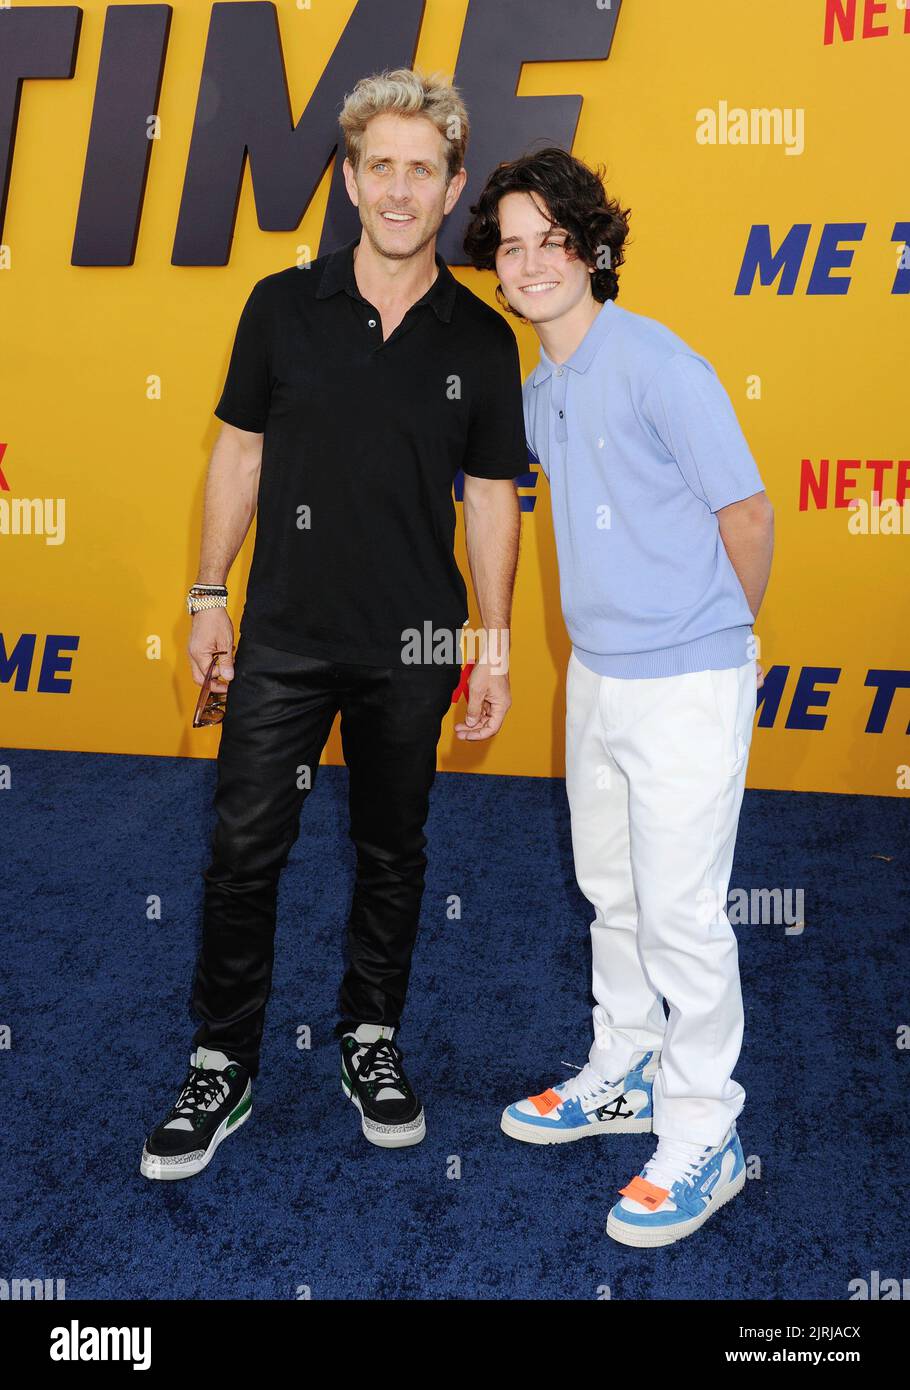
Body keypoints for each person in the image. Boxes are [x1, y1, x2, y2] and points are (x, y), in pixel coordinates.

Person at [140, 69, 525, 1180]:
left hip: (415, 644)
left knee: (391, 851)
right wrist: (210, 594)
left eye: (422, 170)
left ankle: (370, 1036)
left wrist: (489, 641)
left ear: (452, 187)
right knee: (242, 850)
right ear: (350, 178)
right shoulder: (279, 305)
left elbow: (492, 496)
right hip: (285, 637)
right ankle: (222, 1059)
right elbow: (240, 451)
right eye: (380, 167)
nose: (399, 190)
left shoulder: (481, 336)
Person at [464, 148, 774, 1246]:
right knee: (614, 893)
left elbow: (745, 514)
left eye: (554, 238)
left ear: (593, 250)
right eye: (512, 244)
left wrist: (716, 643)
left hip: (688, 677)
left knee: (685, 916)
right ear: (494, 269)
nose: (533, 261)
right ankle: (626, 1070)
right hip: (595, 679)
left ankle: (707, 1130)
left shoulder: (658, 363)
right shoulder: (539, 388)